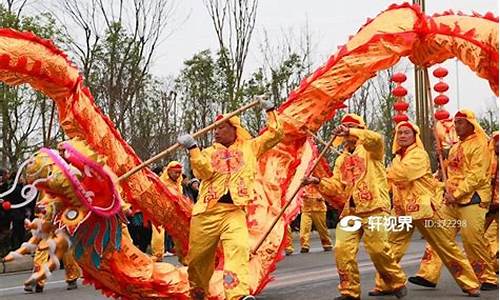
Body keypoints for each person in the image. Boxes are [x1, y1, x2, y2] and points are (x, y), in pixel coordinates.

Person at [177, 99, 282, 300]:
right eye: (215, 129)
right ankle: (198, 293)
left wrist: (270, 110)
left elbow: (275, 134)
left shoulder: (251, 147)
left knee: (239, 248)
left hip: (234, 212)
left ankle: (237, 295)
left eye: (221, 128)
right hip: (206, 213)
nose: (216, 132)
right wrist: (192, 148)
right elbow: (203, 172)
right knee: (198, 260)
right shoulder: (207, 152)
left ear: (234, 129)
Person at [302, 113, 407, 300]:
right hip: (351, 212)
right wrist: (317, 181)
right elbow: (337, 186)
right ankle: (349, 291)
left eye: (351, 127)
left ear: (360, 129)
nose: (347, 131)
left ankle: (396, 280)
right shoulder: (341, 159)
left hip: (375, 207)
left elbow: (376, 139)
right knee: (342, 249)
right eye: (344, 128)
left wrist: (351, 130)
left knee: (377, 249)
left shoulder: (372, 151)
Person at [370, 121, 480, 297]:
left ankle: (470, 283)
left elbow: (404, 174)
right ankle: (386, 284)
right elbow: (389, 182)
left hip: (423, 207)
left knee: (444, 246)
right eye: (400, 133)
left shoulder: (419, 155)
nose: (403, 136)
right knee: (389, 247)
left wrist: (380, 171)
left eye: (407, 133)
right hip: (401, 210)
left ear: (415, 136)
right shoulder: (397, 158)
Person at [409, 109, 498, 291]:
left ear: (470, 124)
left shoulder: (481, 144)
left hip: (473, 199)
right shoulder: (457, 146)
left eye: (460, 122)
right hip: (451, 200)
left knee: (471, 240)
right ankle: (428, 274)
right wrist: (442, 156)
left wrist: (456, 194)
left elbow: (477, 176)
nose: (456, 126)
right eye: (455, 122)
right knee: (438, 235)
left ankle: (487, 277)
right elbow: (451, 171)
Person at [298, 184, 333, 253]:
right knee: (304, 228)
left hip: (319, 208)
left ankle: (327, 243)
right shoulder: (302, 179)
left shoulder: (319, 178)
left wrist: (322, 196)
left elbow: (327, 189)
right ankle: (304, 245)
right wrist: (302, 195)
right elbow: (298, 191)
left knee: (322, 228)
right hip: (306, 208)